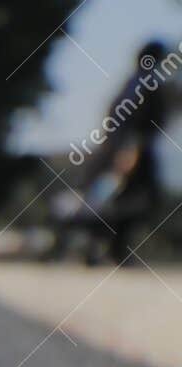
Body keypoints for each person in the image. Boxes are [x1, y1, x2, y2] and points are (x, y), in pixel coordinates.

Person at [51, 41, 171, 266]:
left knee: (111, 200)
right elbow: (136, 124)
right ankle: (107, 250)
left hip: (114, 152)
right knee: (122, 202)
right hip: (130, 156)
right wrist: (129, 152)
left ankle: (103, 249)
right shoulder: (145, 85)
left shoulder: (132, 83)